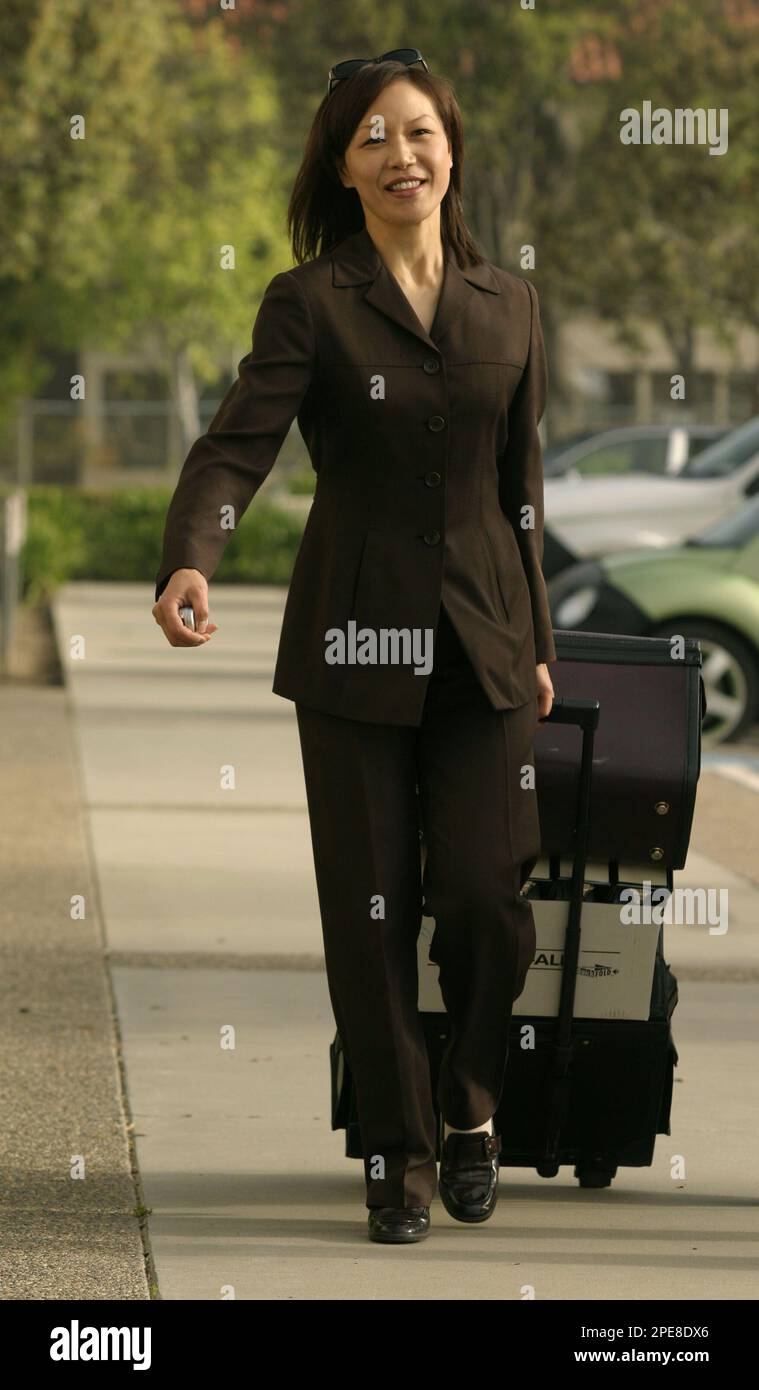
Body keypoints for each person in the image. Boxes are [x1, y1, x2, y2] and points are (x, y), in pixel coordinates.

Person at [152, 49, 556, 1245]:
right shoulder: (311, 300)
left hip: (486, 644)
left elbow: (521, 486)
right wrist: (193, 555)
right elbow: (240, 447)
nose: (401, 156)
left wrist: (535, 633)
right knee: (371, 911)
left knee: (488, 898)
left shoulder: (511, 306)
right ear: (342, 163)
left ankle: (474, 1108)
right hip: (352, 642)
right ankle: (400, 1149)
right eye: (373, 138)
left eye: (420, 133)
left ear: (453, 150)